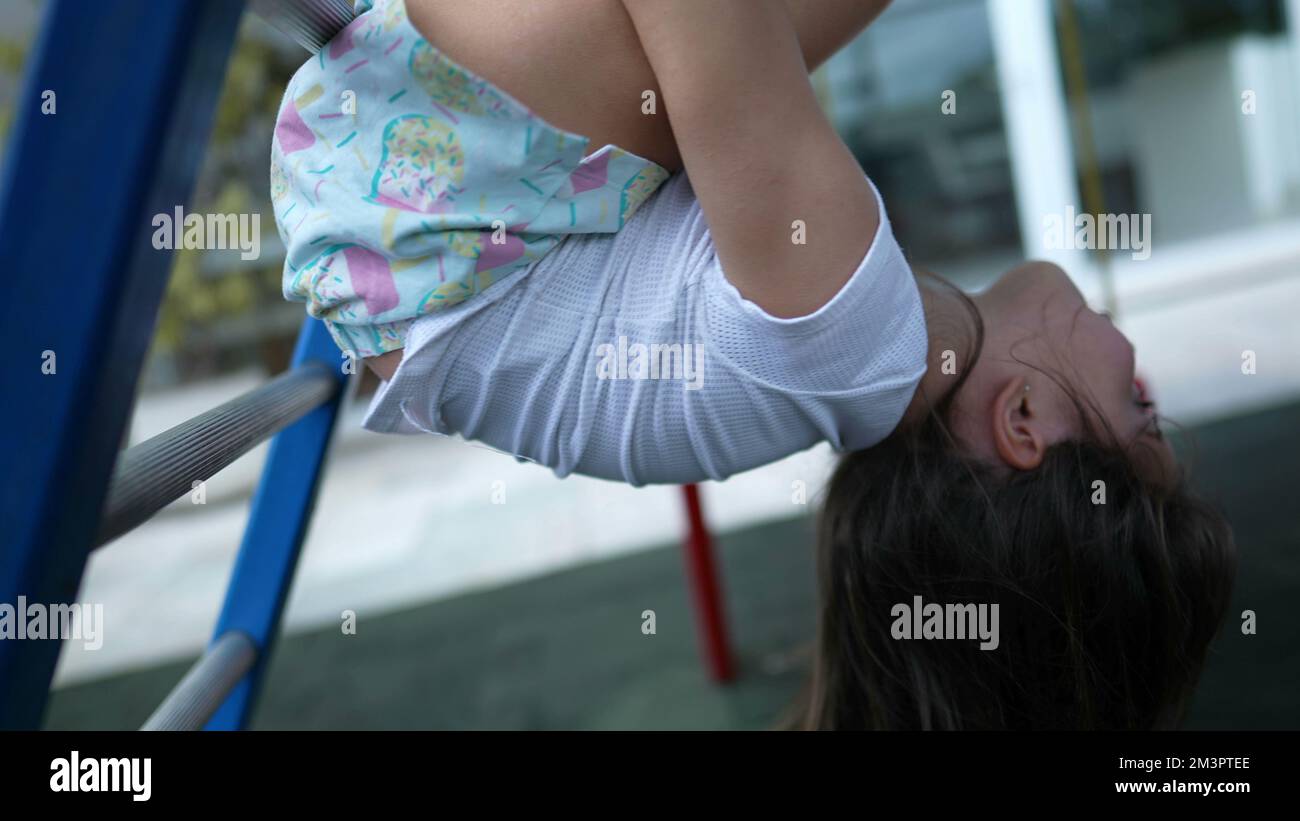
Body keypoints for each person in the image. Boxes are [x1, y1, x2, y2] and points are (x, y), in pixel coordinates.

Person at [272, 0, 1237, 729]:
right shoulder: (870, 362)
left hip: (423, 222)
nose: (1144, 377)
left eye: (1140, 414)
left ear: (1025, 425)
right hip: (436, 217)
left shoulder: (853, 337)